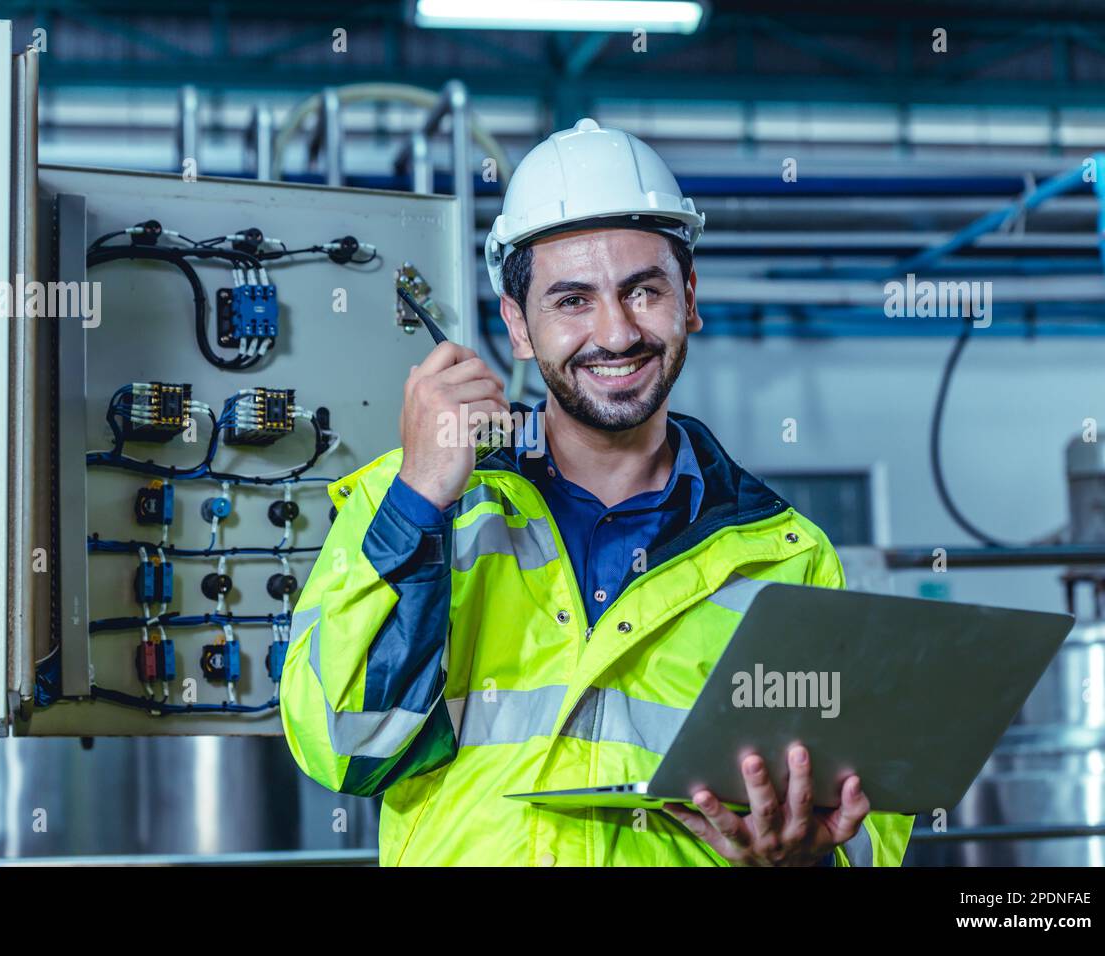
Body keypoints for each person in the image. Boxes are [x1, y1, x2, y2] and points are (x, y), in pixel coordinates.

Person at [280, 118, 914, 866]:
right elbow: (343, 749)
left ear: (690, 298)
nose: (615, 334)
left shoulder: (786, 558)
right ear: (518, 325)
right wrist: (421, 497)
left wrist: (805, 860)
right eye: (572, 301)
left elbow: (866, 828)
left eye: (643, 291)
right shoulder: (408, 502)